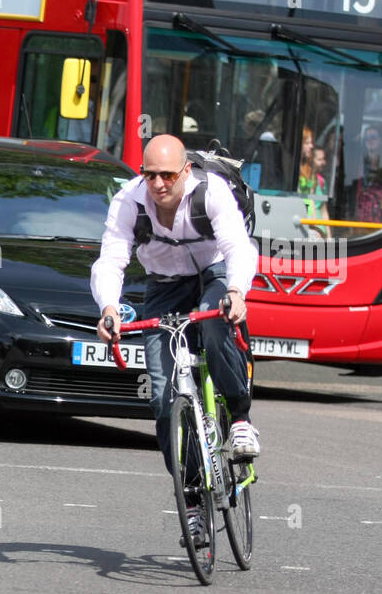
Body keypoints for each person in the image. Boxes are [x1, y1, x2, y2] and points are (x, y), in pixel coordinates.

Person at [93, 135, 259, 546]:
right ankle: (191, 503)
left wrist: (237, 291)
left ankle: (239, 418)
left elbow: (239, 246)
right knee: (164, 402)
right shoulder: (129, 202)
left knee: (217, 323)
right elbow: (112, 258)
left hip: (214, 275)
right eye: (150, 175)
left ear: (185, 171)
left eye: (167, 175)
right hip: (164, 286)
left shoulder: (211, 192)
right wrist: (109, 308)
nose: (159, 184)